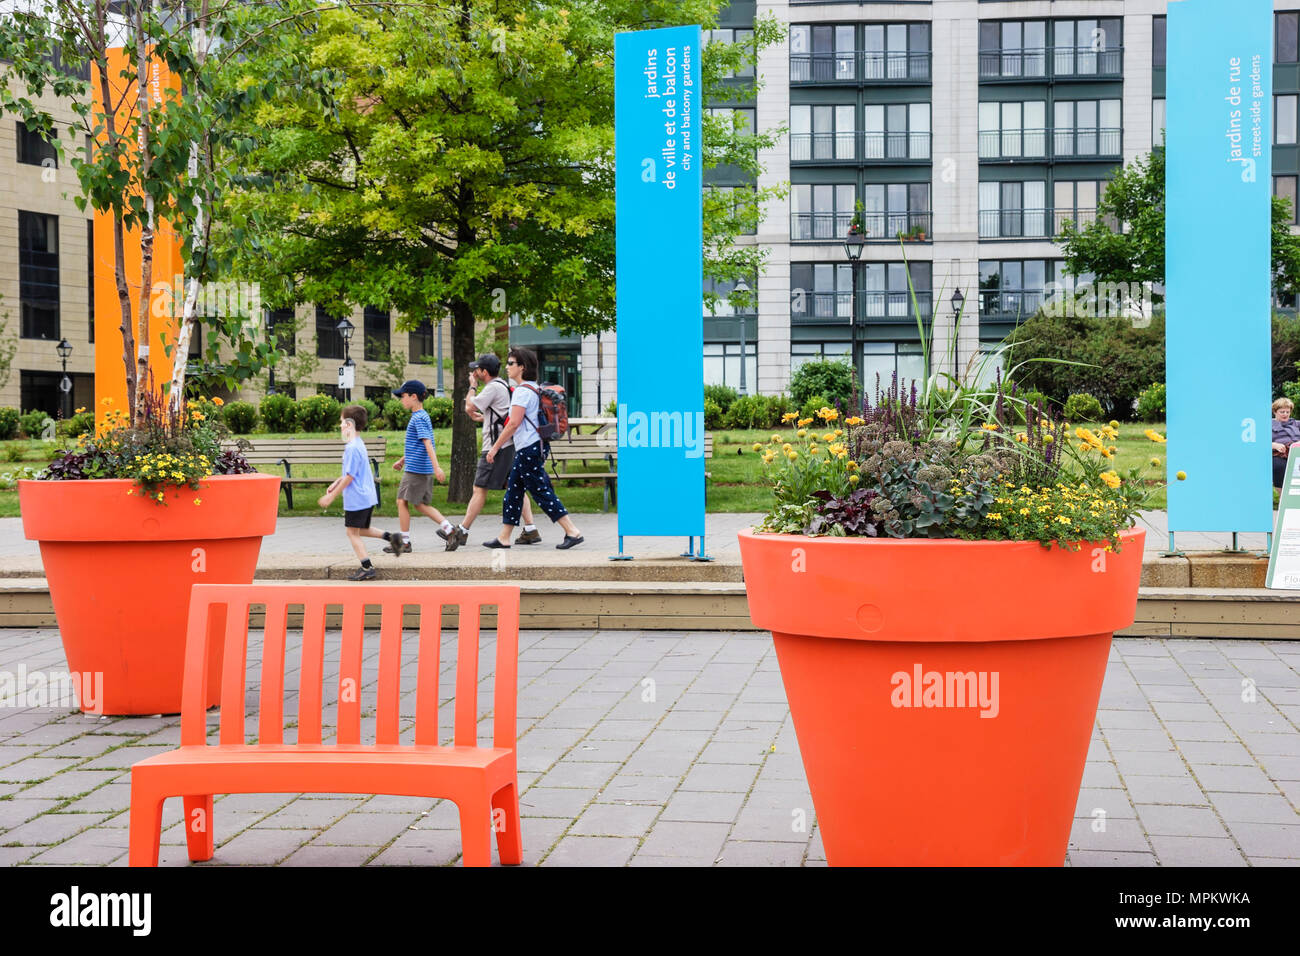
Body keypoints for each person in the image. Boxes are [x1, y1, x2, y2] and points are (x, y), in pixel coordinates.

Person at [483, 347, 584, 549]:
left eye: (511, 363)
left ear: (522, 367)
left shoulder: (522, 392)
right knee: (513, 491)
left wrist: (495, 447)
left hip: (529, 449)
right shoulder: (533, 388)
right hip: (533, 447)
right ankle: (504, 537)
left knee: (540, 492)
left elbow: (513, 423)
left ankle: (572, 531)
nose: (507, 367)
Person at [444, 353, 540, 551]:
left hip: (495, 447)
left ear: (484, 372)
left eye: (476, 370)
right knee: (516, 487)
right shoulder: (503, 385)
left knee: (479, 488)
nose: (474, 372)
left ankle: (462, 530)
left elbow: (468, 405)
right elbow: (499, 413)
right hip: (507, 445)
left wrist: (472, 386)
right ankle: (530, 529)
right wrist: (483, 418)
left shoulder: (492, 387)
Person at [317, 405, 398, 581]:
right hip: (365, 496)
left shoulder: (352, 448)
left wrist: (332, 495)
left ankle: (366, 567)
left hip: (357, 497)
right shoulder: (358, 444)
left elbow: (350, 477)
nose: (340, 426)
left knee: (352, 533)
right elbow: (350, 473)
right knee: (361, 529)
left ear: (349, 424)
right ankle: (393, 538)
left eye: (341, 422)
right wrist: (336, 482)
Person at [384, 379, 454, 554]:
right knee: (419, 504)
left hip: (417, 470)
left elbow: (427, 443)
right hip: (418, 467)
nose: (401, 400)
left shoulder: (419, 418)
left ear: (413, 396)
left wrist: (437, 467)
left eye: (403, 396)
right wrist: (403, 459)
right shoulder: (421, 416)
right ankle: (450, 530)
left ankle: (404, 543)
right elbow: (418, 446)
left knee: (402, 502)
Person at [1272, 397, 1300, 488]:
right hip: (1279, 454)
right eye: (1282, 412)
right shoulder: (1267, 425)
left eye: (1287, 412)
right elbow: (1260, 442)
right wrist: (1274, 445)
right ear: (1275, 412)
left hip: (1296, 452)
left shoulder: (1296, 423)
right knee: (1278, 466)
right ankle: (1282, 498)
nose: (1285, 414)